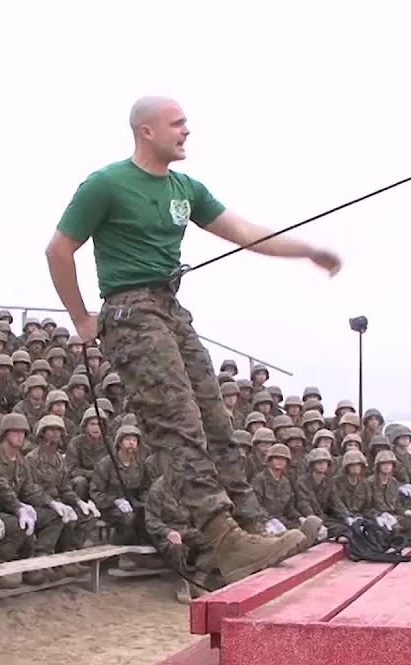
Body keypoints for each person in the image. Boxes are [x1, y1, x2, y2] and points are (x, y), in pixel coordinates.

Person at [44, 97, 341, 583]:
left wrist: (305, 250)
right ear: (146, 131)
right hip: (130, 311)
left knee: (216, 417)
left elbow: (245, 231)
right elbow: (58, 250)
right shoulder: (106, 184)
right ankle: (223, 538)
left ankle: (251, 523)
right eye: (177, 124)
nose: (187, 131)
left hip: (169, 306)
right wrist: (80, 318)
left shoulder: (186, 188)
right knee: (178, 422)